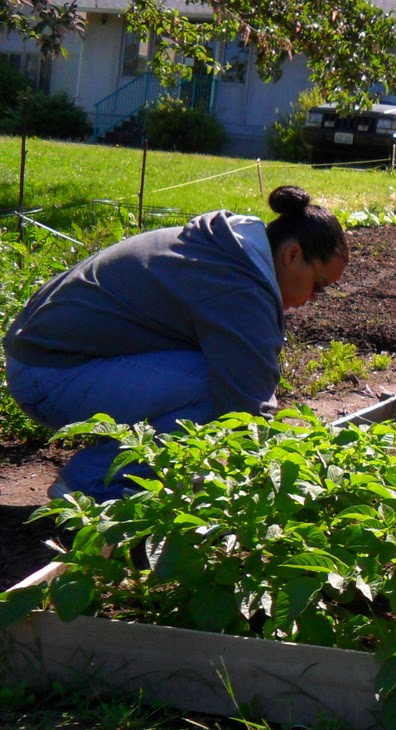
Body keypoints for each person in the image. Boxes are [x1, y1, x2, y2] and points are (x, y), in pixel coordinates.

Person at [3, 185, 348, 499]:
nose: (313, 299)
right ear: (292, 255)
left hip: (42, 362)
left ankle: (120, 473)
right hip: (47, 376)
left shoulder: (226, 248)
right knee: (219, 390)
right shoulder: (239, 286)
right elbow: (246, 406)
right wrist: (275, 484)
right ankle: (90, 483)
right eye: (318, 285)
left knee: (221, 380)